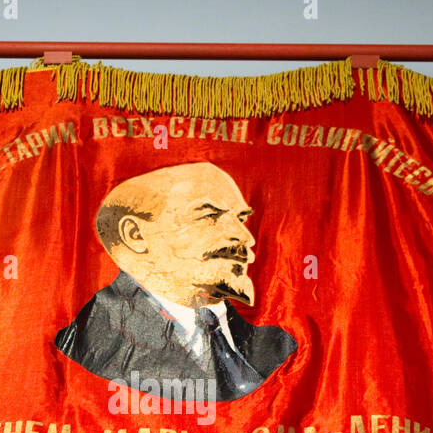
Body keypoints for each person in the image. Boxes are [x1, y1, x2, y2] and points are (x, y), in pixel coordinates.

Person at [54, 162, 297, 403]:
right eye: (210, 216)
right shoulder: (82, 348)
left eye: (240, 219)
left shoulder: (281, 347)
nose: (245, 237)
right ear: (135, 235)